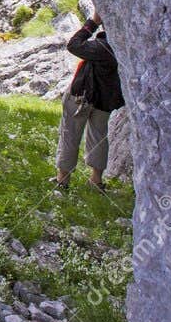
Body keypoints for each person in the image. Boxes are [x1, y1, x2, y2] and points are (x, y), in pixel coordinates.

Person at [53, 12, 124, 193]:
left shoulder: (104, 47)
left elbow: (74, 45)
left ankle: (63, 180)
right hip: (105, 101)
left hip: (81, 97)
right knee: (99, 137)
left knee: (70, 134)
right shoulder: (125, 47)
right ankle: (96, 180)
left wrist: (92, 22)